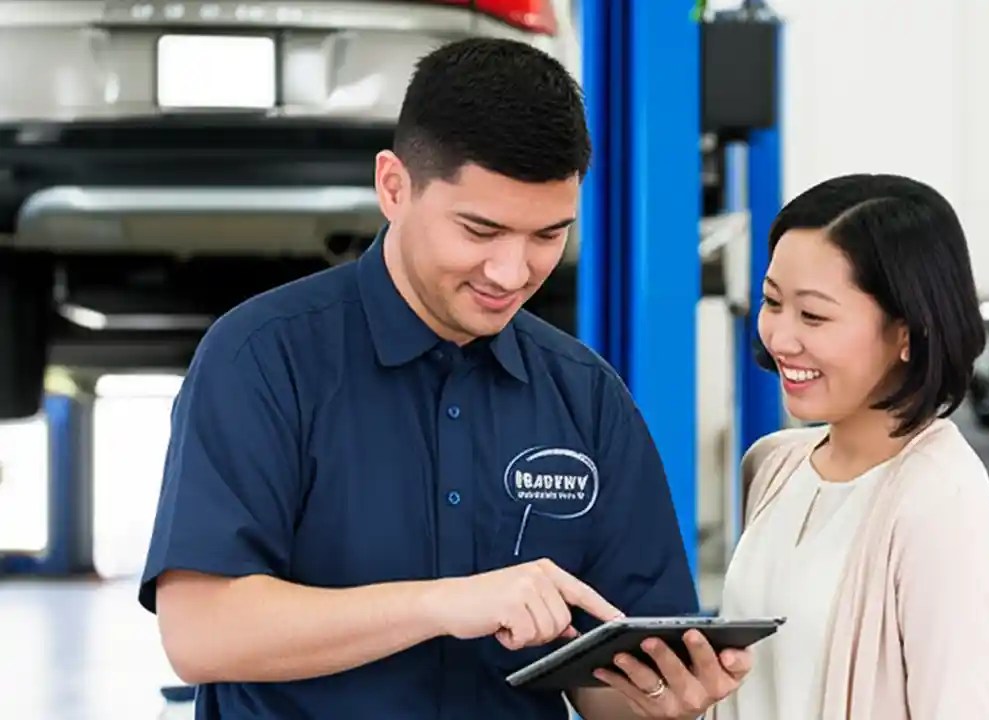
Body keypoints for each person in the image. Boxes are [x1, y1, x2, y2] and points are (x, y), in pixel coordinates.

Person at [140, 38, 750, 720]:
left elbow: (610, 680)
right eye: (479, 230)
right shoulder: (263, 358)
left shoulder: (586, 397)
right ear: (394, 186)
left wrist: (667, 698)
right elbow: (201, 632)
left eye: (547, 236)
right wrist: (443, 603)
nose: (511, 272)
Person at [708, 174, 989, 720]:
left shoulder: (937, 497)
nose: (780, 337)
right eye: (772, 302)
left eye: (813, 315)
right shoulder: (774, 467)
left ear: (908, 331)